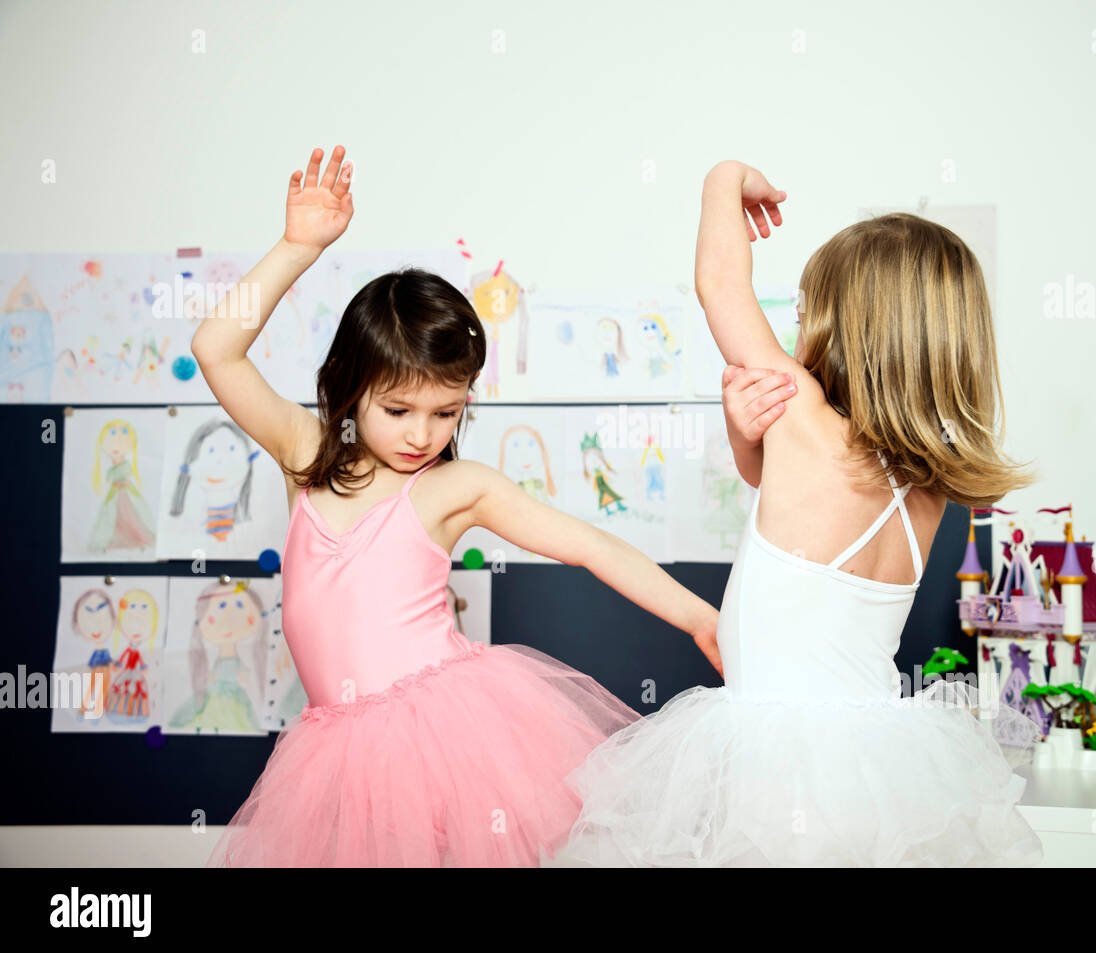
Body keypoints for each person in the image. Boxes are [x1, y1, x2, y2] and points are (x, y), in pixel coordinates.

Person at [195, 146, 720, 866]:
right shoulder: (307, 454)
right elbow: (216, 350)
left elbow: (588, 544)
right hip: (333, 751)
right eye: (399, 408)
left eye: (446, 412)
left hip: (441, 735)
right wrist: (297, 247)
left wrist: (700, 617)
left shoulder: (452, 487)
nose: (421, 434)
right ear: (350, 386)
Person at [546, 160, 1044, 866]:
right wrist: (744, 436)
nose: (794, 329)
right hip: (875, 771)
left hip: (776, 770)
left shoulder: (807, 423)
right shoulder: (930, 487)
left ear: (853, 329)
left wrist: (723, 181)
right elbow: (784, 504)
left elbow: (720, 284)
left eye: (808, 312)